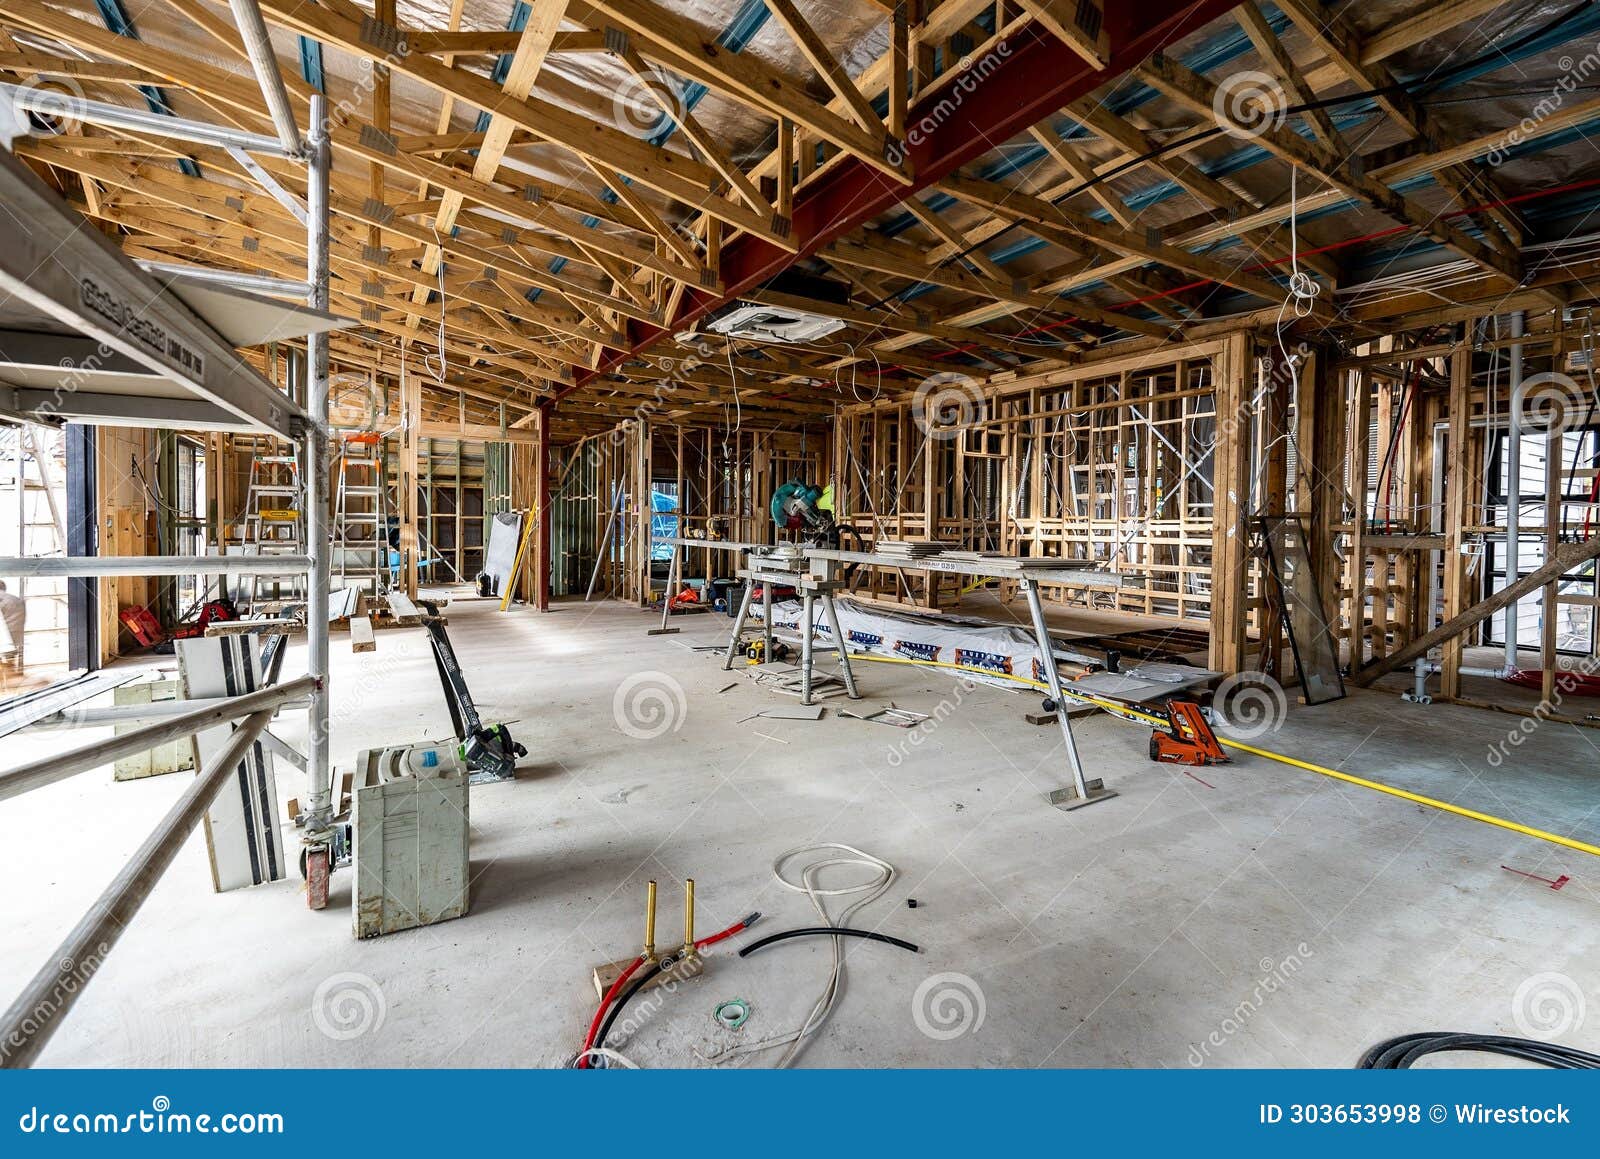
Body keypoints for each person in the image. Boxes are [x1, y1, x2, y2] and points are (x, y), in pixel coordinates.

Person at [0, 578, 25, 678]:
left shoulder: (2, 599)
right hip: (15, 638)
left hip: (4, 639)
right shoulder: (17, 599)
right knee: (10, 664)